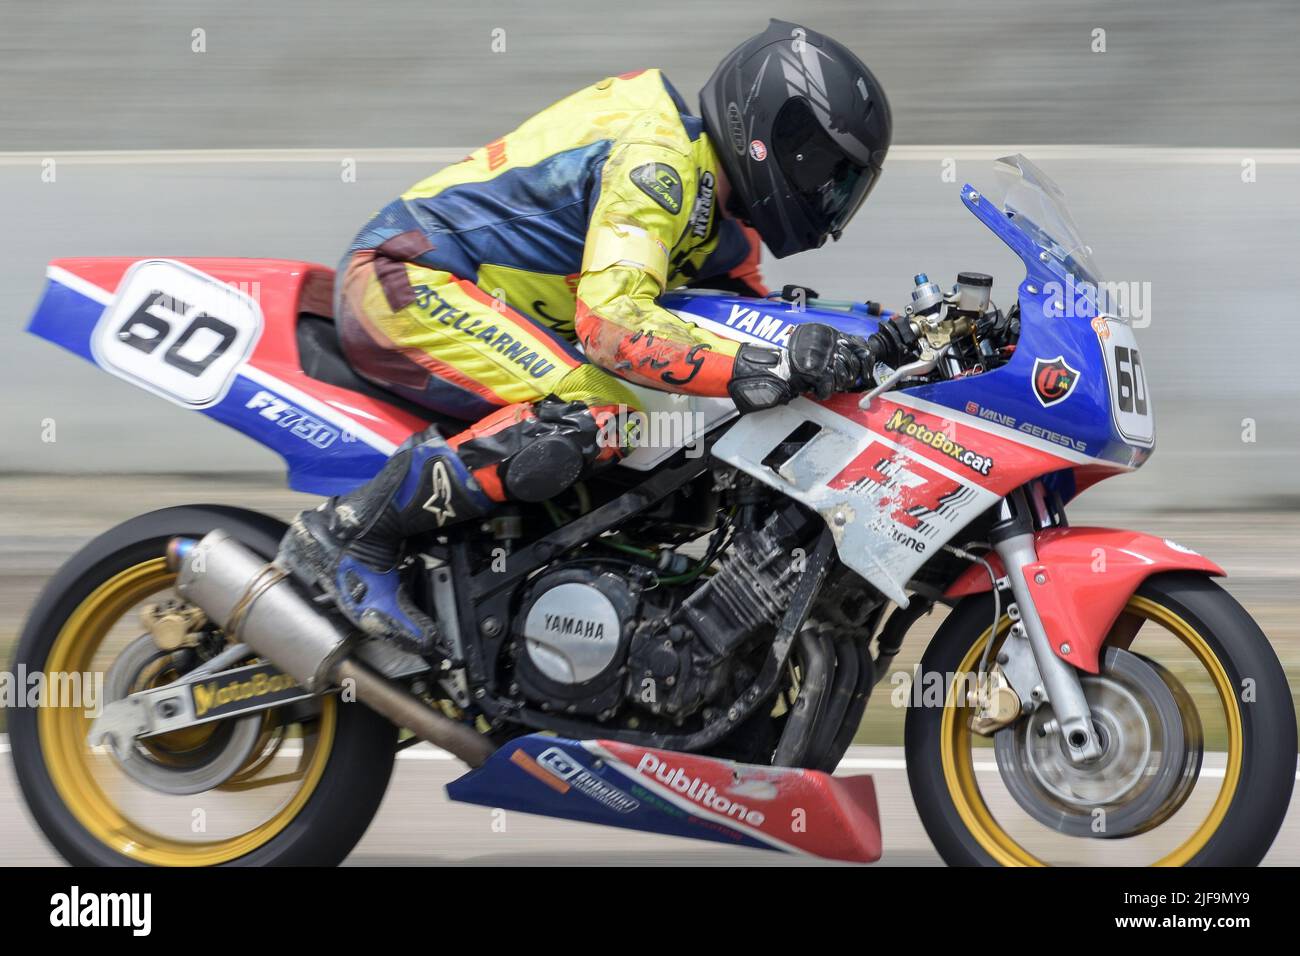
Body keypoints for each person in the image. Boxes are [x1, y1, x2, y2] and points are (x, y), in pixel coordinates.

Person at [279, 19, 894, 654]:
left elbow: (759, 319)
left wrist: (871, 342)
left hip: (483, 305)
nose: (826, 194)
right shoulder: (661, 160)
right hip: (407, 281)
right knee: (608, 412)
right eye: (822, 168)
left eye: (843, 186)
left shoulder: (722, 226)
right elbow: (612, 327)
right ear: (769, 127)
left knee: (677, 422)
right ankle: (353, 529)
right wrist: (757, 364)